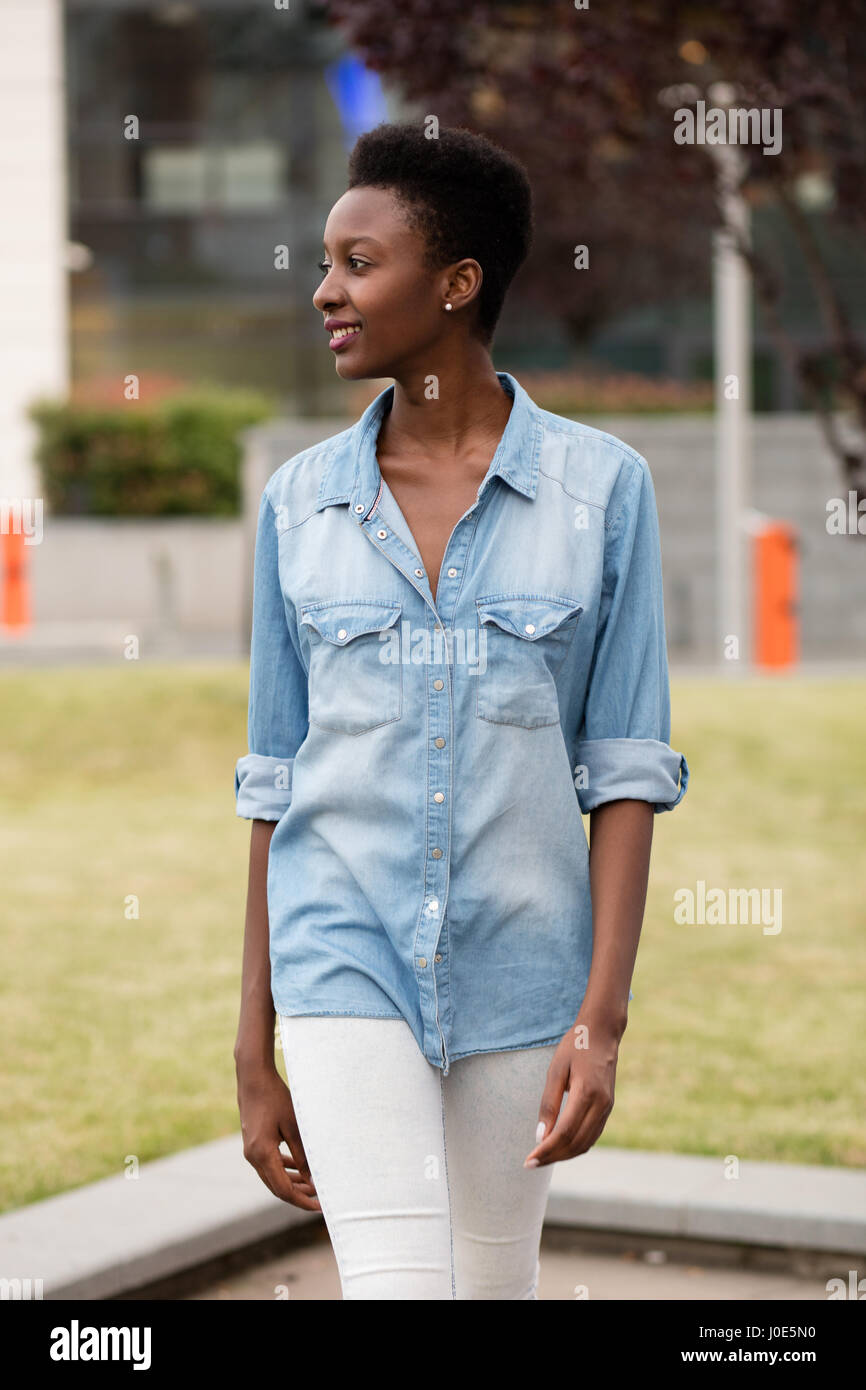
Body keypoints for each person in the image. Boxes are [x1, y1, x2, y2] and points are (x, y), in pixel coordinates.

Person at [233, 120, 689, 1301]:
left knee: (490, 1290)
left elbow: (627, 766)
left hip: (524, 968)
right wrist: (252, 1041)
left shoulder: (602, 490)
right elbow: (272, 779)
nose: (325, 291)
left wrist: (600, 1019)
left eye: (356, 262)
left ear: (456, 282)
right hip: (341, 960)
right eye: (326, 262)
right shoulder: (298, 505)